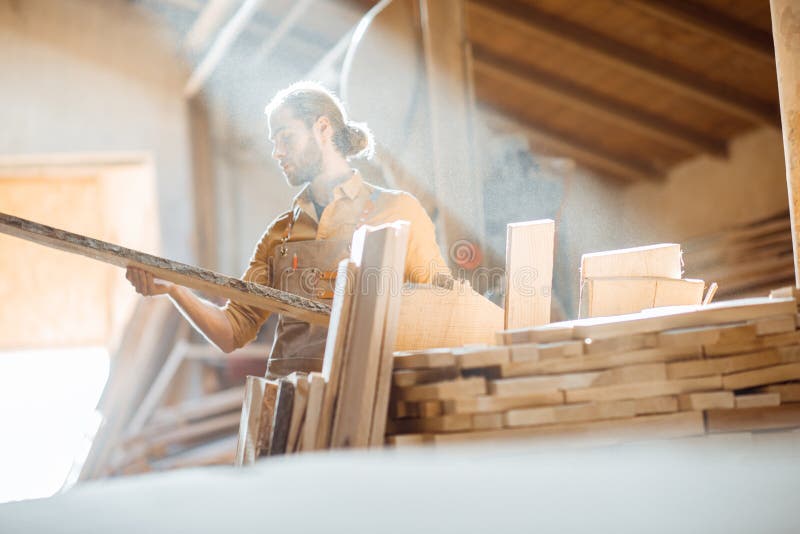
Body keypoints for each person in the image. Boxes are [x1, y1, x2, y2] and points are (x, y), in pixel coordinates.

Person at [127, 81, 450, 377]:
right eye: (274, 142)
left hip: (371, 406)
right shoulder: (279, 235)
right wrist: (175, 290)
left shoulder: (397, 211)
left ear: (322, 129)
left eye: (286, 137)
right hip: (294, 419)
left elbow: (442, 310)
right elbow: (231, 331)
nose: (277, 152)